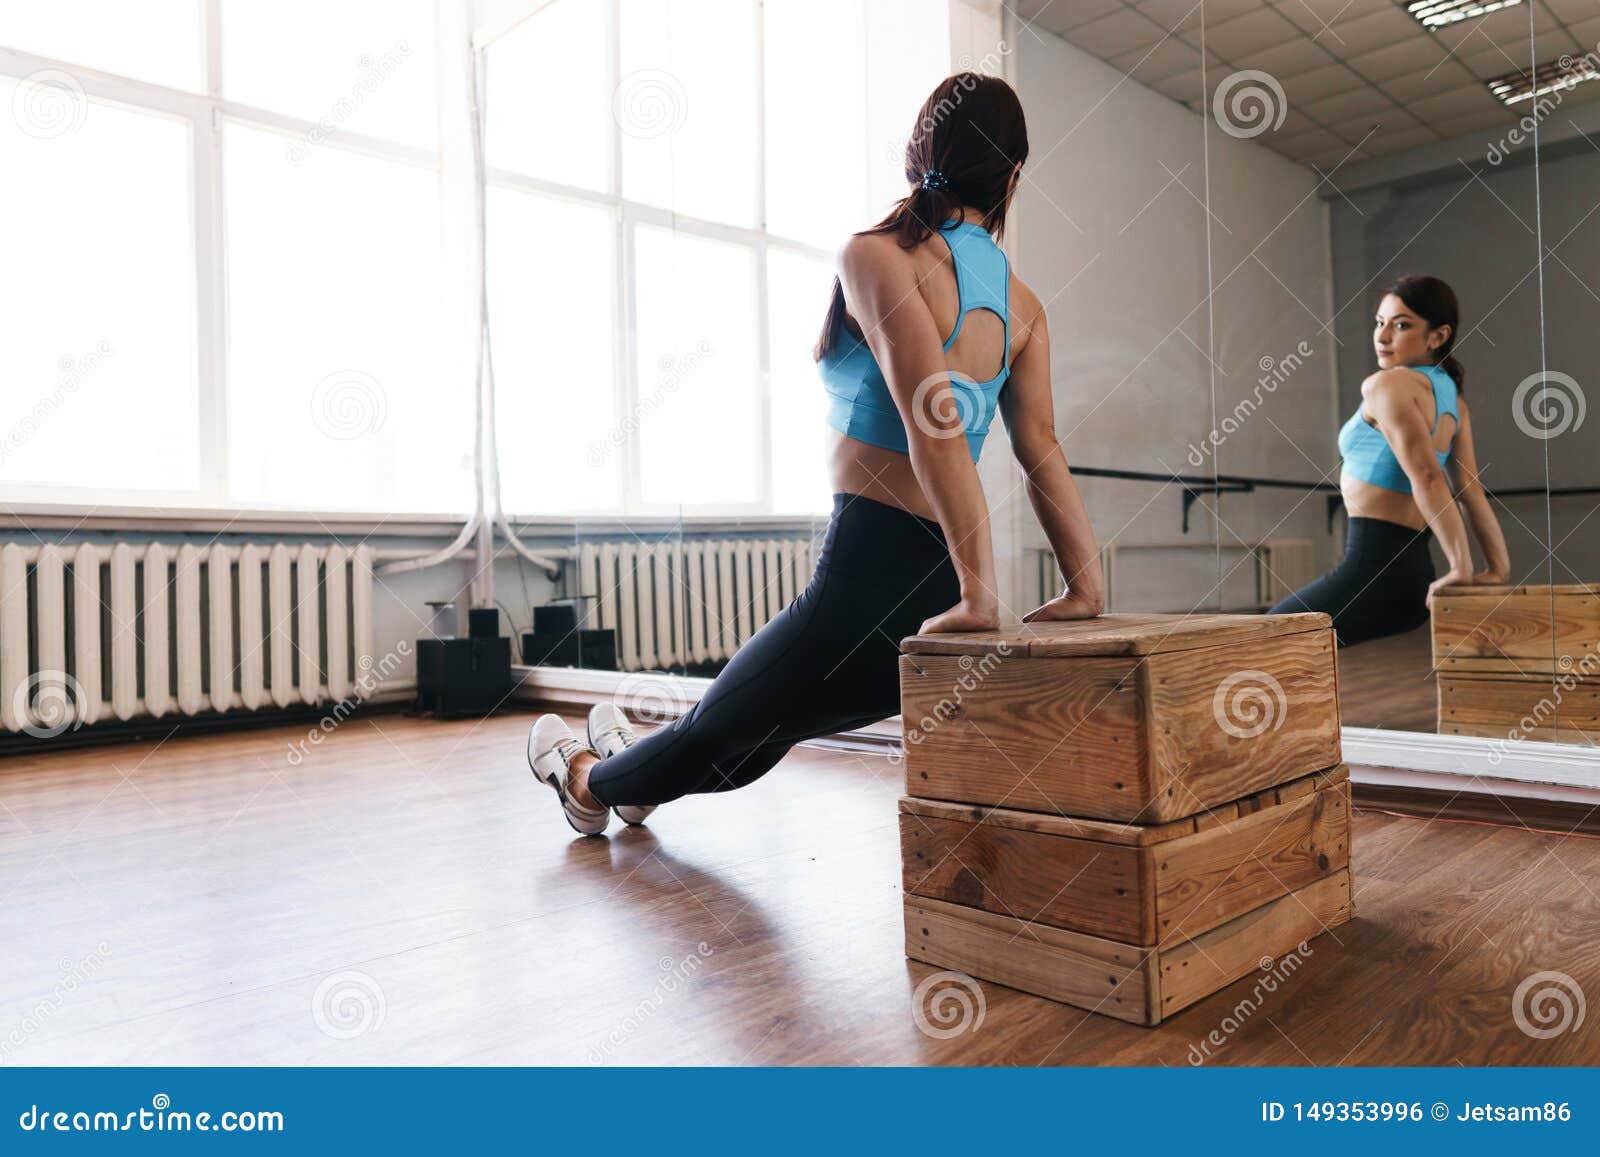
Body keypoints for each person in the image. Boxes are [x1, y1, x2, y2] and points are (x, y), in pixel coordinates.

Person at [527, 72, 1105, 836]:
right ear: (1014, 174)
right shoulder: (1024, 307)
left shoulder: (877, 256)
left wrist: (981, 595)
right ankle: (640, 784)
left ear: (917, 152)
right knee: (762, 726)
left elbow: (932, 418)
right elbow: (1041, 449)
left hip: (865, 577)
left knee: (723, 724)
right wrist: (1085, 583)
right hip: (930, 578)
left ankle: (586, 781)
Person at [1268, 274, 1510, 646]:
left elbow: (1429, 477)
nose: (1382, 337)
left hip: (1372, 571)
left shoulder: (1388, 385)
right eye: (1380, 323)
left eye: (1401, 325)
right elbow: (1471, 490)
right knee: (1293, 656)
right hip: (1406, 574)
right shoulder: (1453, 401)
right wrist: (1497, 567)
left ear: (1438, 336)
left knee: (1254, 640)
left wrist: (1461, 567)